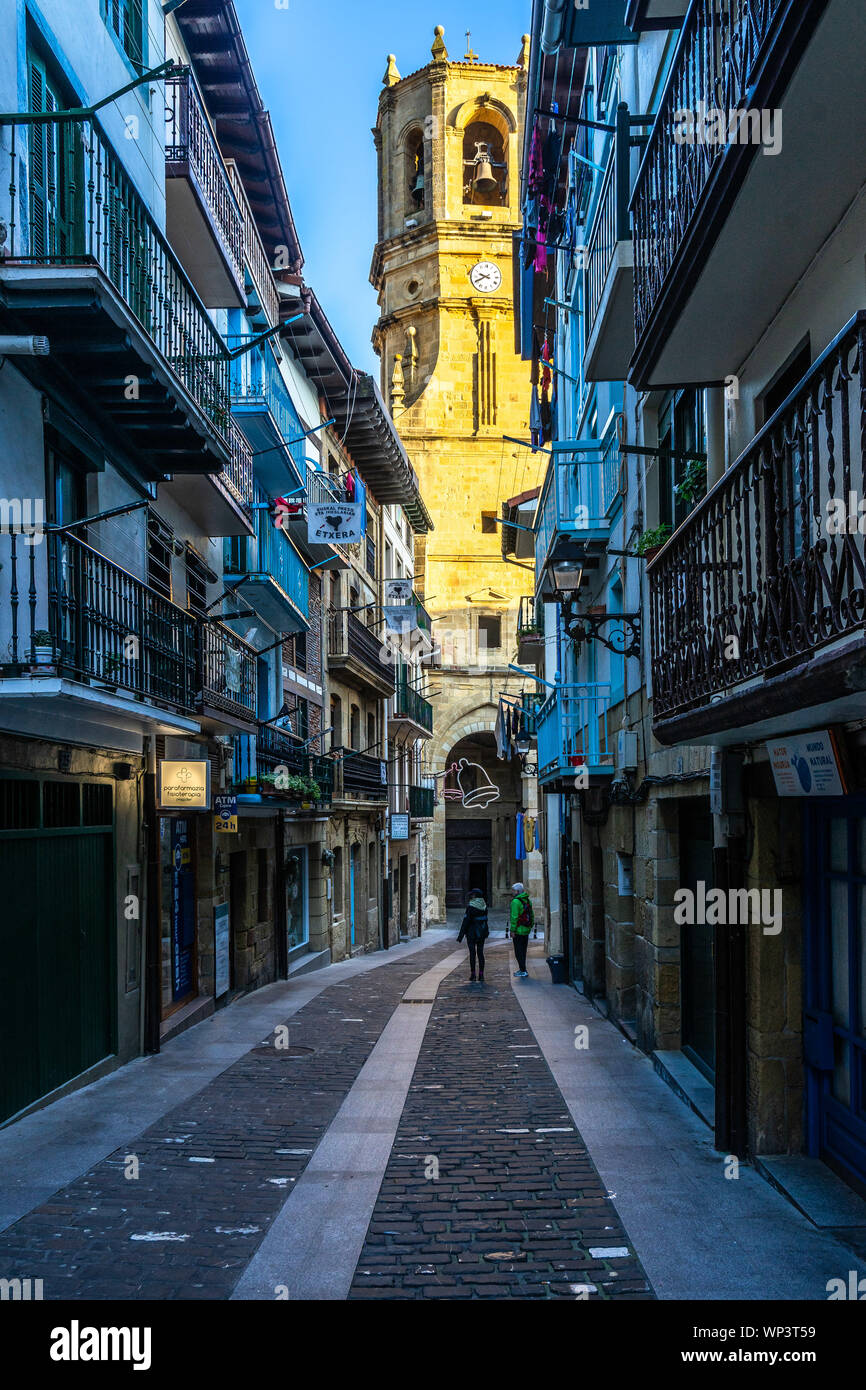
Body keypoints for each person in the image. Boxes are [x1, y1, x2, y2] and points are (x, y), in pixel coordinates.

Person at [457, 893, 489, 983]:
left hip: (471, 933)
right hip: (481, 933)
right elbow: (485, 920)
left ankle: (473, 974)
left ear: (475, 896)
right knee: (480, 953)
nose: (471, 897)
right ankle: (481, 975)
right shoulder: (484, 906)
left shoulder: (470, 907)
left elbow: (466, 921)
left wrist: (460, 936)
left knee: (472, 953)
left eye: (472, 895)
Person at [510, 882, 534, 978]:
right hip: (526, 929)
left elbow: (514, 917)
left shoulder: (515, 902)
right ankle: (523, 969)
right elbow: (531, 914)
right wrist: (530, 925)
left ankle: (523, 970)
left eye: (513, 890)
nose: (512, 892)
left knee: (518, 951)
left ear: (517, 891)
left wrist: (512, 930)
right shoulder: (527, 900)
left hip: (519, 930)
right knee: (523, 951)